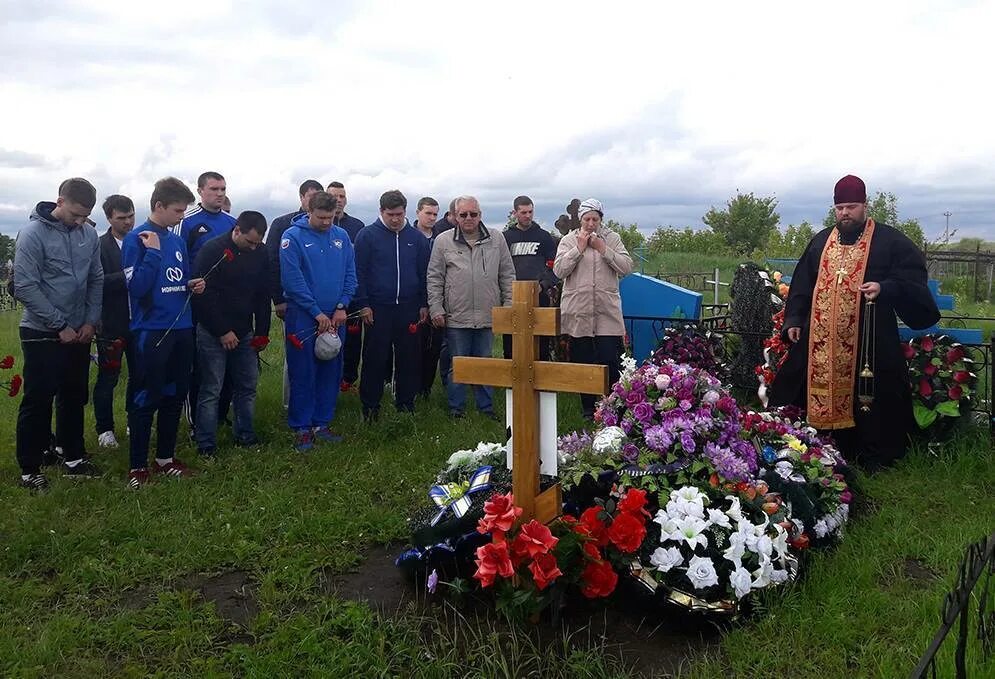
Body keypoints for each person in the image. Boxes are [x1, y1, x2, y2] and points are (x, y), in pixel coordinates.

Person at [770, 175, 940, 470]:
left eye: (851, 206)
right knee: (794, 384)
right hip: (819, 341)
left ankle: (869, 454)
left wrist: (884, 288)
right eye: (839, 208)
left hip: (869, 340)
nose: (845, 213)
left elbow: (911, 280)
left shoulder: (890, 241)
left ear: (864, 206)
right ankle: (808, 445)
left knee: (874, 396)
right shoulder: (821, 241)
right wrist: (795, 318)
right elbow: (802, 284)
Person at [13, 178, 104, 490]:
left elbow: (96, 278)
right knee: (39, 398)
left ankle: (73, 456)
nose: (80, 221)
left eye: (85, 215)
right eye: (76, 214)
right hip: (41, 331)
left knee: (74, 395)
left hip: (80, 332)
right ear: (60, 202)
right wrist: (59, 325)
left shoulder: (88, 234)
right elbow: (25, 286)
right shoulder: (32, 234)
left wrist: (90, 321)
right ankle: (30, 467)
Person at [121, 177, 206, 489]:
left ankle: (165, 459)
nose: (181, 216)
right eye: (177, 211)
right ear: (158, 206)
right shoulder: (137, 239)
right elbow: (138, 287)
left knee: (174, 394)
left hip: (182, 327)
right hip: (151, 331)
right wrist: (153, 253)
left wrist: (192, 285)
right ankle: (137, 466)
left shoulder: (177, 240)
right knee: (146, 398)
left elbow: (175, 281)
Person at [280, 191, 357, 451]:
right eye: (322, 217)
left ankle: (321, 423)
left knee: (331, 368)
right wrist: (316, 312)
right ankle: (301, 427)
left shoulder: (342, 236)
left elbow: (350, 273)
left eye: (331, 217)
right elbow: (293, 280)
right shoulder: (293, 237)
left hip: (335, 315)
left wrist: (341, 306)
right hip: (304, 315)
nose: (327, 222)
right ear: (309, 211)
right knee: (303, 371)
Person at [192, 211, 271, 456]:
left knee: (247, 385)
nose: (253, 247)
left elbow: (262, 293)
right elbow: (202, 297)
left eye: (258, 243)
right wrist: (222, 331)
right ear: (237, 230)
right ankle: (206, 443)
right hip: (213, 331)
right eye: (249, 242)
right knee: (211, 388)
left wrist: (262, 331)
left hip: (245, 329)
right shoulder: (212, 250)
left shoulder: (261, 252)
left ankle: (245, 435)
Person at [427, 195, 514, 419]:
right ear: (455, 216)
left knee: (484, 363)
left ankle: (486, 408)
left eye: (473, 214)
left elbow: (507, 274)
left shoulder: (497, 239)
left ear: (480, 215)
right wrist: (436, 308)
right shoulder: (443, 241)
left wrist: (508, 307)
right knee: (459, 364)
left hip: (488, 313)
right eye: (463, 214)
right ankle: (457, 408)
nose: (468, 218)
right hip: (457, 314)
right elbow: (434, 277)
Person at [553, 198, 633, 420]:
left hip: (606, 311)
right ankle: (588, 408)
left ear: (601, 219)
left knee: (609, 358)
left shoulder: (612, 238)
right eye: (587, 219)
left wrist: (603, 249)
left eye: (594, 219)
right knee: (584, 360)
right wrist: (578, 249)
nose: (590, 224)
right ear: (580, 220)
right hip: (579, 310)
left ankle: (612, 406)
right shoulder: (569, 240)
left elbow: (626, 267)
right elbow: (559, 271)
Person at [353, 190, 430, 421]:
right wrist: (363, 304)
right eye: (390, 215)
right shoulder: (367, 236)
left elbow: (424, 273)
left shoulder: (415, 238)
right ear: (381, 212)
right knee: (375, 357)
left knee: (409, 356)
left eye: (399, 214)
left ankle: (406, 403)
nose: (395, 219)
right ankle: (370, 406)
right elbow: (359, 272)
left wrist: (424, 303)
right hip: (378, 307)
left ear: (405, 211)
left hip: (408, 307)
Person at [175, 171, 237, 433]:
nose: (220, 194)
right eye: (214, 189)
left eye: (223, 189)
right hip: (197, 303)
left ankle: (220, 415)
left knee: (230, 365)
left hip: (229, 304)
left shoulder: (233, 222)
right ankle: (195, 423)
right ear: (200, 191)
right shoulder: (187, 222)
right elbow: (177, 258)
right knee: (200, 366)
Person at [268, 179, 324, 409]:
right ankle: (291, 403)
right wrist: (278, 299)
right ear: (302, 198)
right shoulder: (283, 226)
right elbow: (272, 263)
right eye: (311, 197)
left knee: (324, 352)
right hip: (293, 302)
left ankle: (319, 403)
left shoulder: (328, 225)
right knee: (297, 356)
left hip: (324, 303)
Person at [94, 194, 136, 449]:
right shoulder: (99, 247)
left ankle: (134, 420)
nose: (128, 222)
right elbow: (95, 283)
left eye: (131, 216)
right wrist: (124, 276)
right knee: (108, 377)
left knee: (139, 375)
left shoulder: (142, 241)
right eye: (121, 218)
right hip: (111, 323)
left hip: (140, 322)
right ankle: (105, 428)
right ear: (109, 218)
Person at [502, 195, 559, 360]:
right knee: (511, 339)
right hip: (512, 295)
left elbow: (555, 265)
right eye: (523, 212)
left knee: (540, 339)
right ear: (515, 213)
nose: (527, 215)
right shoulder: (506, 237)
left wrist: (545, 284)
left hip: (538, 295)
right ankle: (511, 382)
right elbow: (499, 266)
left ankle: (541, 380)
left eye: (530, 212)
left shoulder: (544, 237)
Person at [326, 181, 367, 391]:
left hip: (352, 294)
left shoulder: (357, 226)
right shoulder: (322, 226)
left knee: (352, 341)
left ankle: (348, 379)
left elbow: (360, 263)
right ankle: (329, 381)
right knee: (327, 339)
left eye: (342, 196)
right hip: (328, 294)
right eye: (334, 196)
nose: (338, 200)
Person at [413, 197, 444, 397]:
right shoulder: (408, 236)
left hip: (439, 298)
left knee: (434, 347)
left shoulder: (442, 238)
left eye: (435, 214)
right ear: (418, 213)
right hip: (414, 300)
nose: (432, 218)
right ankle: (409, 386)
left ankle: (426, 388)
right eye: (428, 213)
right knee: (414, 347)